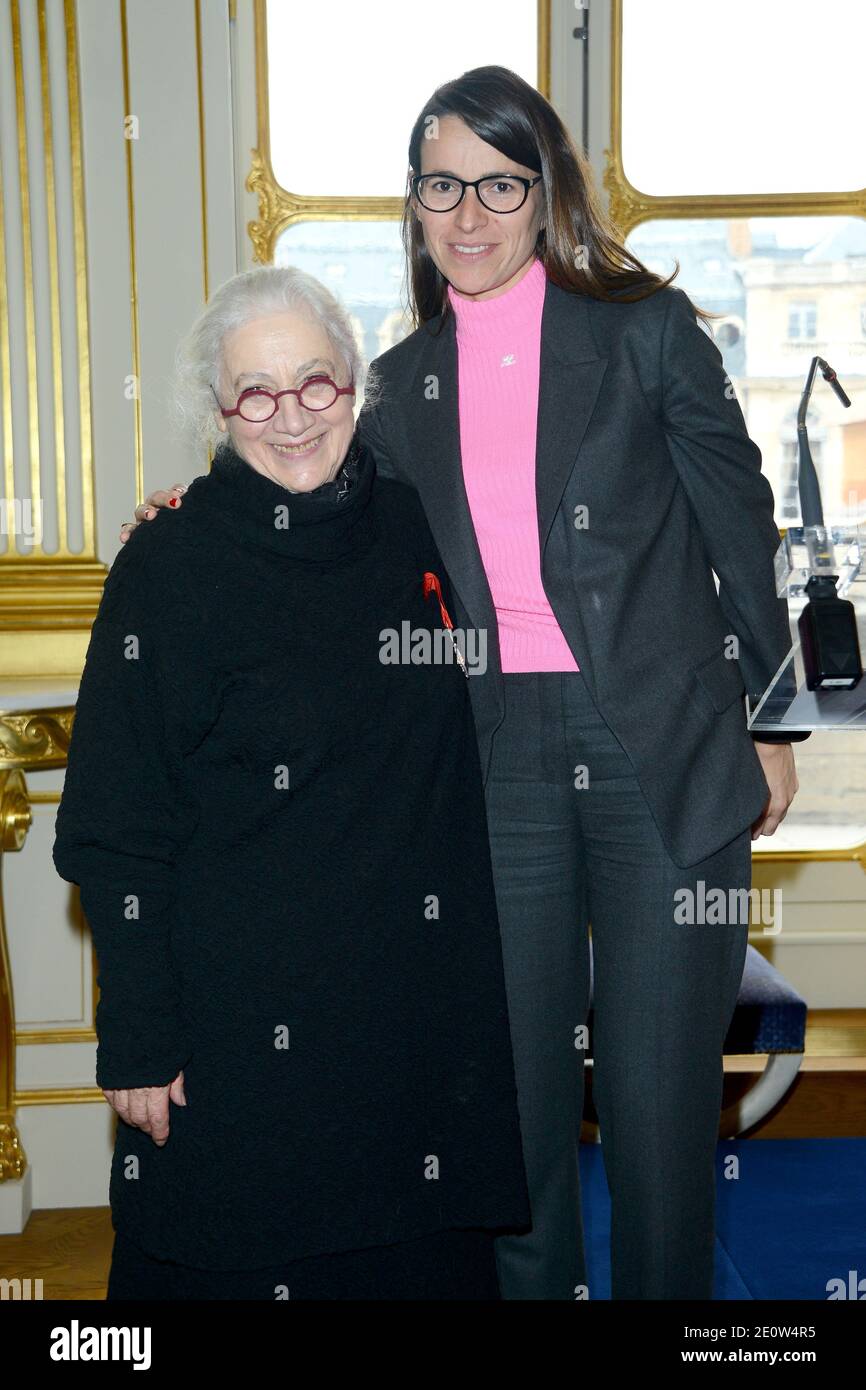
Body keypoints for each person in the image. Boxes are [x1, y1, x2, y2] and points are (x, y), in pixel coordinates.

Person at [121, 66, 807, 1300]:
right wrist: (192, 509)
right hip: (490, 765)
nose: (473, 212)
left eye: (502, 182)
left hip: (659, 746)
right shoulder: (391, 386)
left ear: (542, 194)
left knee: (657, 1122)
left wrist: (771, 715)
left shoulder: (647, 329)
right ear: (416, 204)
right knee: (510, 1120)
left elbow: (738, 527)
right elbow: (317, 490)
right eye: (445, 184)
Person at [53, 264, 531, 1300]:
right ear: (219, 414)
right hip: (240, 1038)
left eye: (314, 383)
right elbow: (113, 823)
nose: (290, 417)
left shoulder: (421, 531)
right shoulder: (168, 565)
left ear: (354, 383)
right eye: (255, 395)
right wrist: (136, 1035)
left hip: (411, 1031)